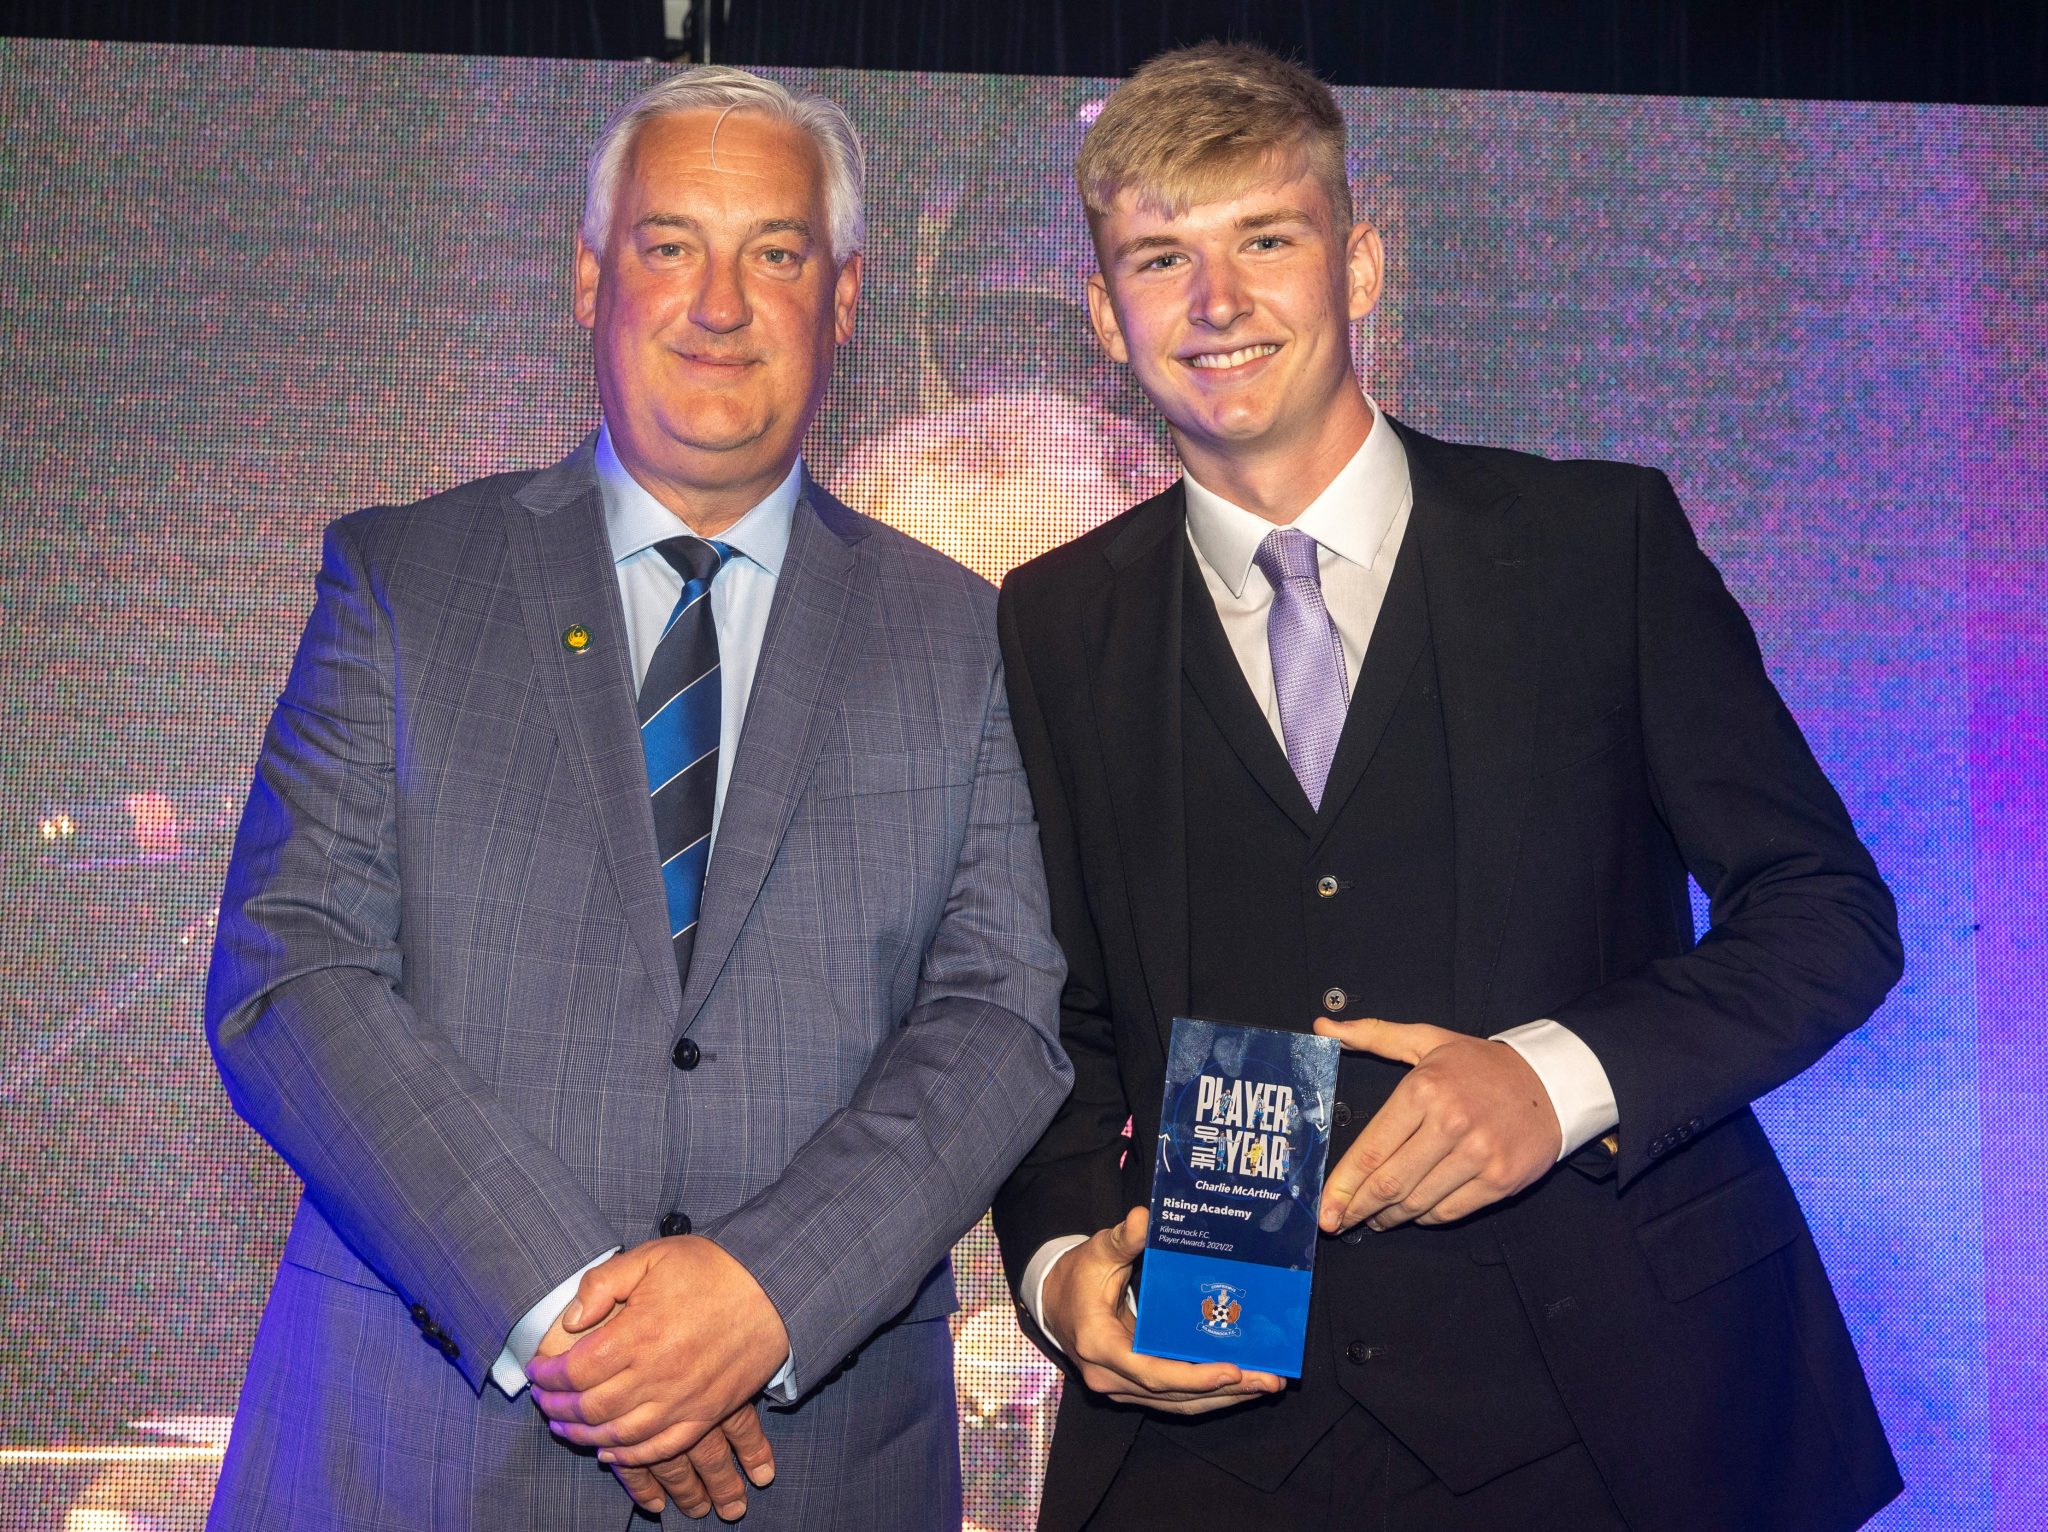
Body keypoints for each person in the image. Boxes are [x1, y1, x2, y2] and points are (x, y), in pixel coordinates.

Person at [991, 42, 1903, 1532]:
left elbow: (1827, 914)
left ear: (1360, 263)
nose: (1217, 306)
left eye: (1264, 241)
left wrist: (1555, 1083)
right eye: (1163, 259)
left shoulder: (1597, 541)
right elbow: (1052, 1025)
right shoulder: (1050, 618)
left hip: (1621, 1416)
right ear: (1108, 315)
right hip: (1218, 1437)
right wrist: (1059, 1275)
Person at [204, 65, 1069, 1530]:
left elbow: (999, 1015)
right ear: (591, 279)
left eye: (776, 253)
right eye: (671, 245)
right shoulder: (402, 584)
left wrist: (760, 1299)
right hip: (413, 1457)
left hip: (819, 1464)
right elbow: (292, 974)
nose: (719, 303)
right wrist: (575, 1324)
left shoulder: (969, 632)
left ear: (845, 298)